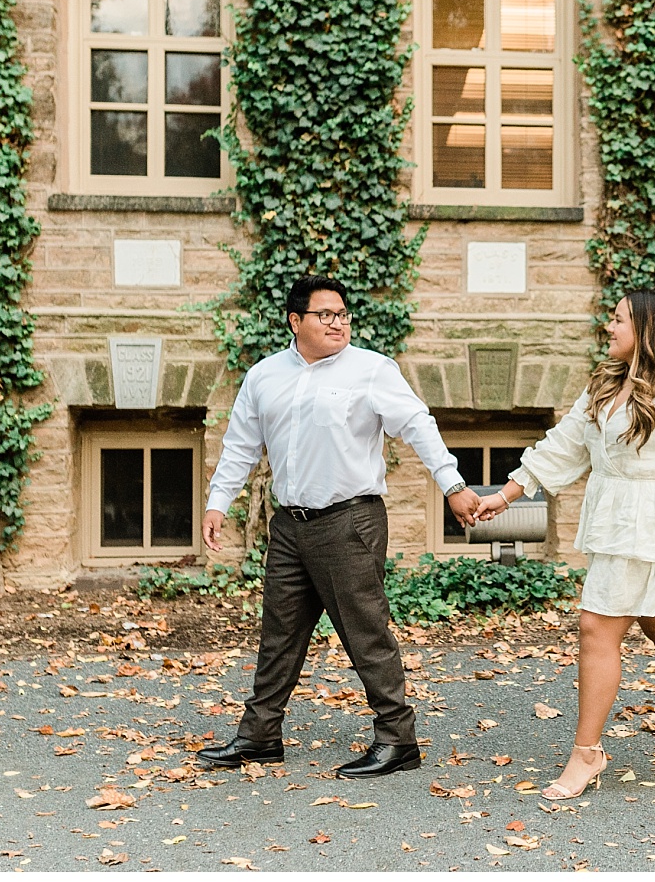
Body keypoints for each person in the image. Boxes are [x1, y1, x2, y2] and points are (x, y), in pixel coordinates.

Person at [195, 274, 483, 778]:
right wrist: (218, 501)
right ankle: (261, 736)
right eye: (325, 314)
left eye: (343, 314)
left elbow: (418, 423)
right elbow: (241, 445)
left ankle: (398, 740)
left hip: (350, 520)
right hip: (290, 526)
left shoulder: (371, 370)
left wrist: (452, 484)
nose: (337, 323)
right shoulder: (264, 376)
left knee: (364, 631)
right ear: (295, 320)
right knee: (279, 634)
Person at [472, 290, 655, 797]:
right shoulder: (605, 385)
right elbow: (564, 446)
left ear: (648, 328)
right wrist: (505, 495)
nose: (609, 327)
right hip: (617, 524)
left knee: (596, 627)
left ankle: (587, 753)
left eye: (618, 319)